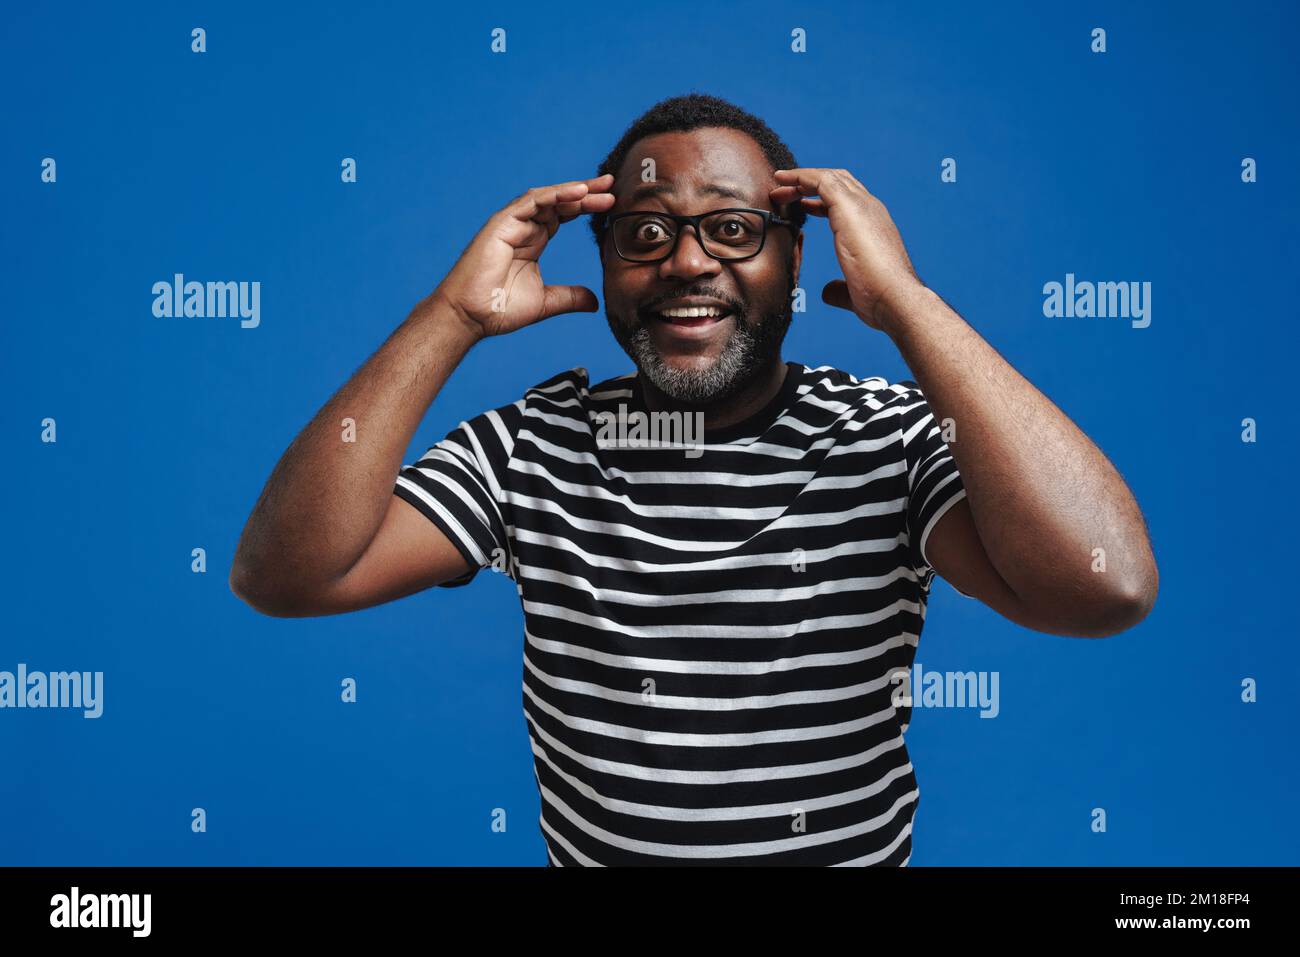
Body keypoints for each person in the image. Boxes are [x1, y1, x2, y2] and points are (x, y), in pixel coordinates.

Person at [230, 93, 1158, 866]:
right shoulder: (534, 448)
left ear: (797, 255)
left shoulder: (884, 439)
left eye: (733, 227)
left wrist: (911, 307)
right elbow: (288, 575)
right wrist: (452, 314)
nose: (686, 261)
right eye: (645, 231)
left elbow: (1102, 583)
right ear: (602, 259)